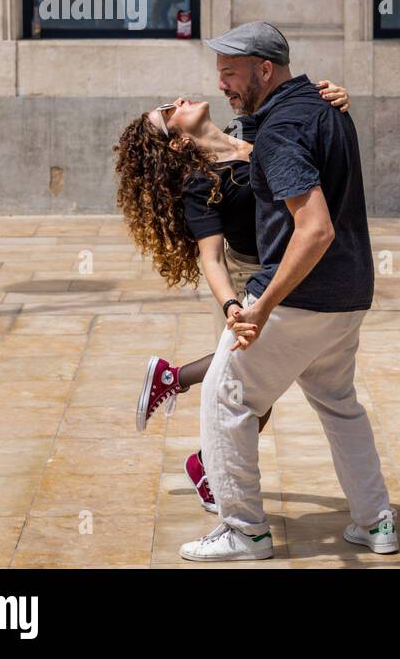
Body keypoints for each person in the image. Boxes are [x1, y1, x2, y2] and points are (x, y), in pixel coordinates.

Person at [181, 22, 393, 562]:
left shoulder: (282, 129)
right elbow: (252, 152)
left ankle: (244, 531)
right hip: (350, 294)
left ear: (264, 70)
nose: (223, 84)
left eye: (230, 73)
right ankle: (376, 523)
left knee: (224, 399)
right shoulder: (329, 110)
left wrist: (263, 304)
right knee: (340, 405)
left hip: (299, 297)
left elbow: (315, 227)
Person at [114, 81, 349, 514]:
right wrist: (231, 305)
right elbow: (213, 257)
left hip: (289, 266)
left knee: (256, 391)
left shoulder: (253, 129)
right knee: (254, 392)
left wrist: (331, 98)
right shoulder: (201, 185)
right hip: (252, 276)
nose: (176, 101)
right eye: (168, 113)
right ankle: (209, 466)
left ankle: (177, 387)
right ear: (180, 140)